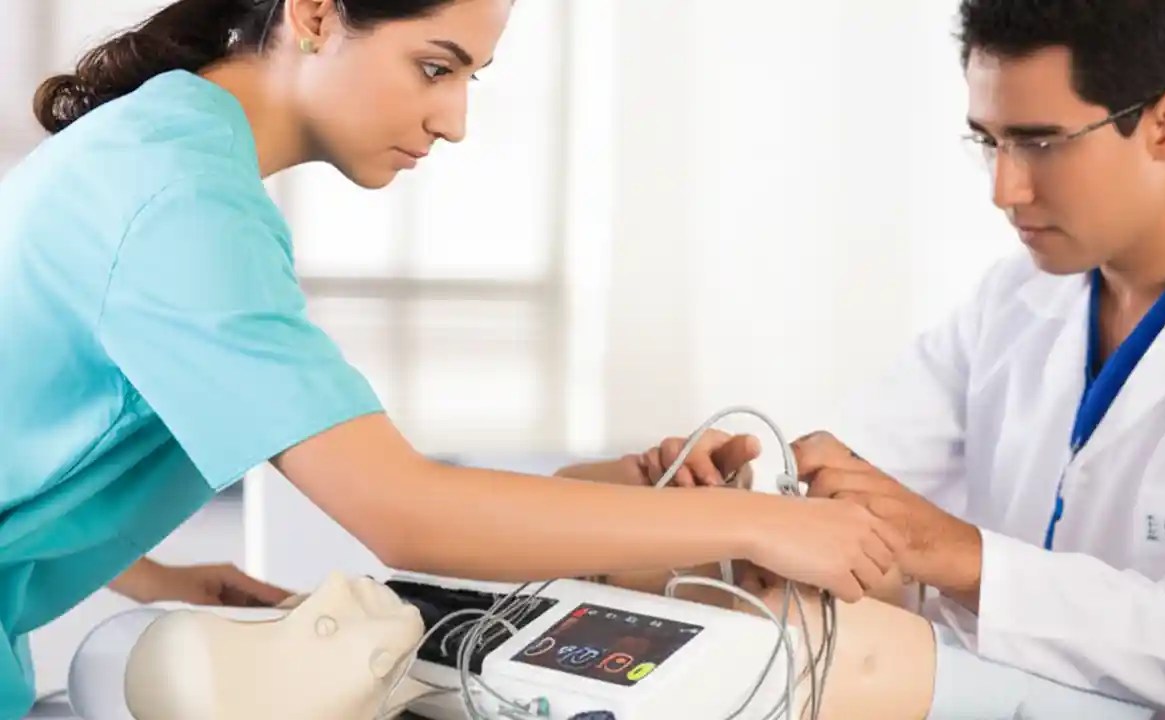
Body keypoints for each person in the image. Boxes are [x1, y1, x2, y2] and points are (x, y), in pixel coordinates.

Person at [0, 0, 896, 715]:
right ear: (314, 14)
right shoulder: (184, 204)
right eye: (435, 67)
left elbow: (40, 413)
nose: (455, 121)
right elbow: (403, 511)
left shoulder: (158, 144)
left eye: (472, 77)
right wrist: (758, 525)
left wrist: (153, 578)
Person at [605, 0, 1165, 717]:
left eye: (1040, 142)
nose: (1004, 190)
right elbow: (866, 470)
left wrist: (958, 553)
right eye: (989, 141)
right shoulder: (1014, 299)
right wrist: (748, 487)